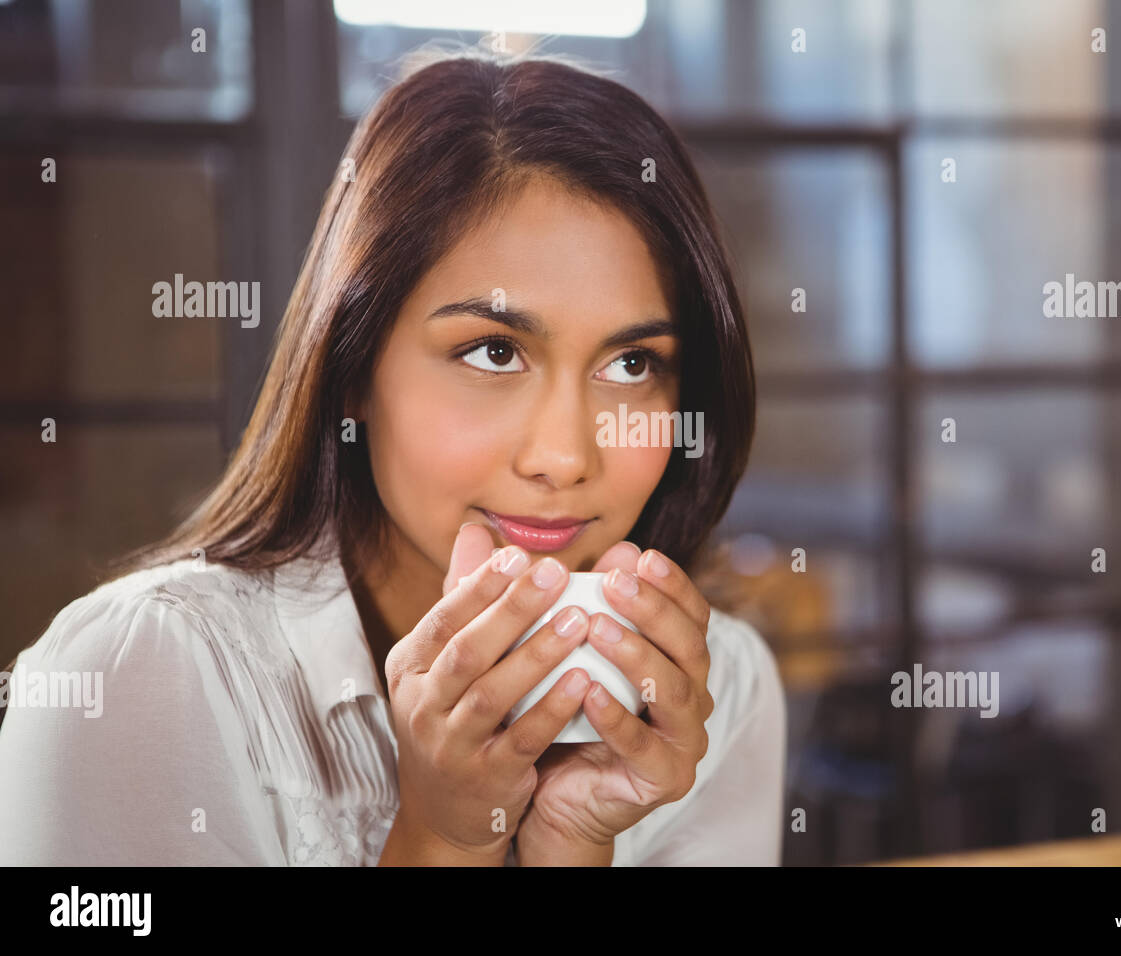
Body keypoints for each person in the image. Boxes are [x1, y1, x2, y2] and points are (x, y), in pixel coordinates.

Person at [0, 48, 785, 866]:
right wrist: (443, 838)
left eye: (632, 365)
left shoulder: (713, 693)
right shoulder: (138, 682)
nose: (563, 457)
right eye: (491, 351)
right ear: (353, 368)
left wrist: (573, 843)